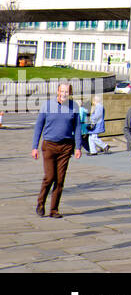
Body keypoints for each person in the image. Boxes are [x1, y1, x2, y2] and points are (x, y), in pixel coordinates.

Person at [32, 82, 83, 217]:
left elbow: (78, 128)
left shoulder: (74, 107)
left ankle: (54, 209)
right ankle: (41, 202)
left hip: (66, 147)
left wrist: (78, 147)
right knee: (49, 177)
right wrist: (34, 147)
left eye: (67, 91)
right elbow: (39, 126)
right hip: (49, 145)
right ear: (58, 92)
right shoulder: (47, 105)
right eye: (62, 91)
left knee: (60, 180)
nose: (64, 94)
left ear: (70, 93)